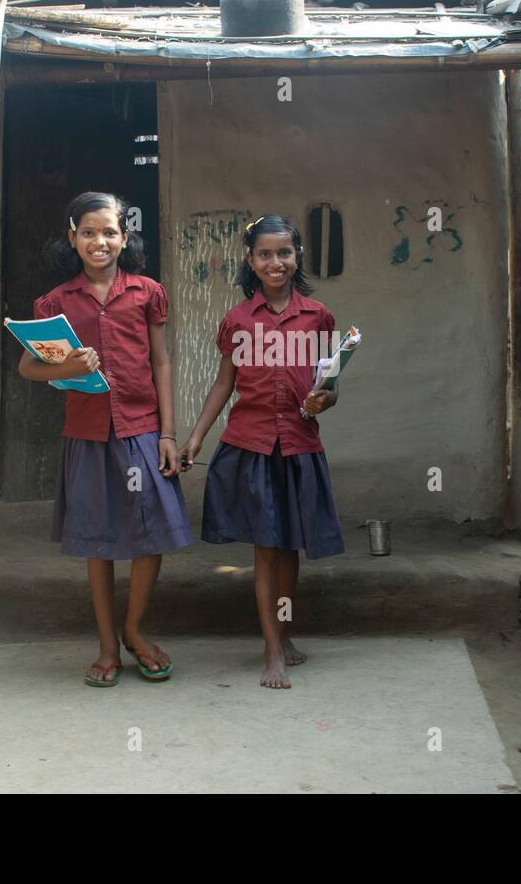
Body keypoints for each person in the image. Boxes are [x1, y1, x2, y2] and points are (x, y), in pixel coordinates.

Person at [22, 191, 191, 687]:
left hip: (142, 429)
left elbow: (161, 361)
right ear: (72, 237)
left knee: (150, 532)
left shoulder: (146, 292)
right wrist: (70, 365)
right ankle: (105, 646)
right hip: (87, 433)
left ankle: (134, 630)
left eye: (110, 232)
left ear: (124, 237)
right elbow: (29, 366)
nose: (100, 241)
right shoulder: (56, 303)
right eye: (89, 232)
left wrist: (169, 433)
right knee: (97, 541)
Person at [180, 215, 344, 690]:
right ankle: (271, 649)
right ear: (250, 261)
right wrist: (195, 437)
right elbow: (224, 383)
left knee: (290, 548)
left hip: (299, 444)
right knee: (266, 550)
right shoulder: (236, 321)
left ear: (297, 258)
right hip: (251, 446)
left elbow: (330, 388)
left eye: (285, 253)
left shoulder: (319, 318)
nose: (276, 262)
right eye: (265, 254)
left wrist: (323, 399)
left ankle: (285, 634)